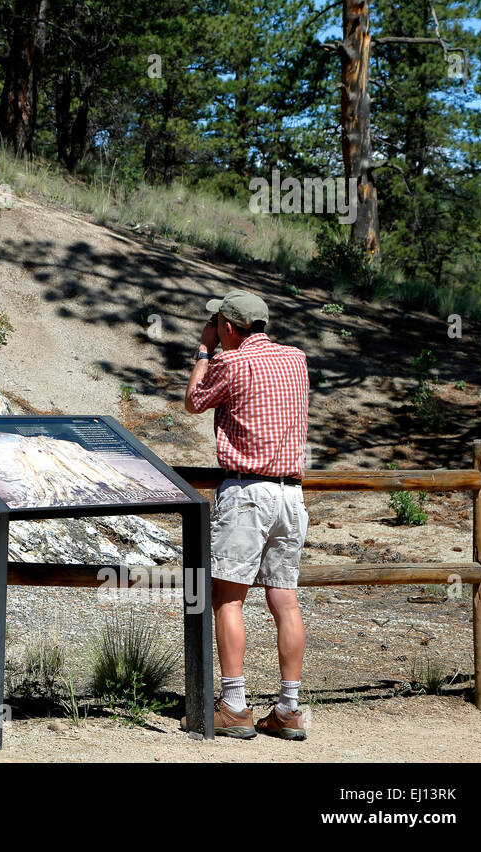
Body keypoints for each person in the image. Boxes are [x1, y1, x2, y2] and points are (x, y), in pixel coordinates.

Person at [183, 290, 310, 741]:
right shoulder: (296, 359)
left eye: (216, 323)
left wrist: (203, 352)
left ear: (229, 328)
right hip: (291, 496)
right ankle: (289, 708)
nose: (214, 329)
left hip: (248, 492)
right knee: (285, 599)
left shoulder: (231, 363)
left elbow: (194, 401)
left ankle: (234, 704)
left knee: (228, 597)